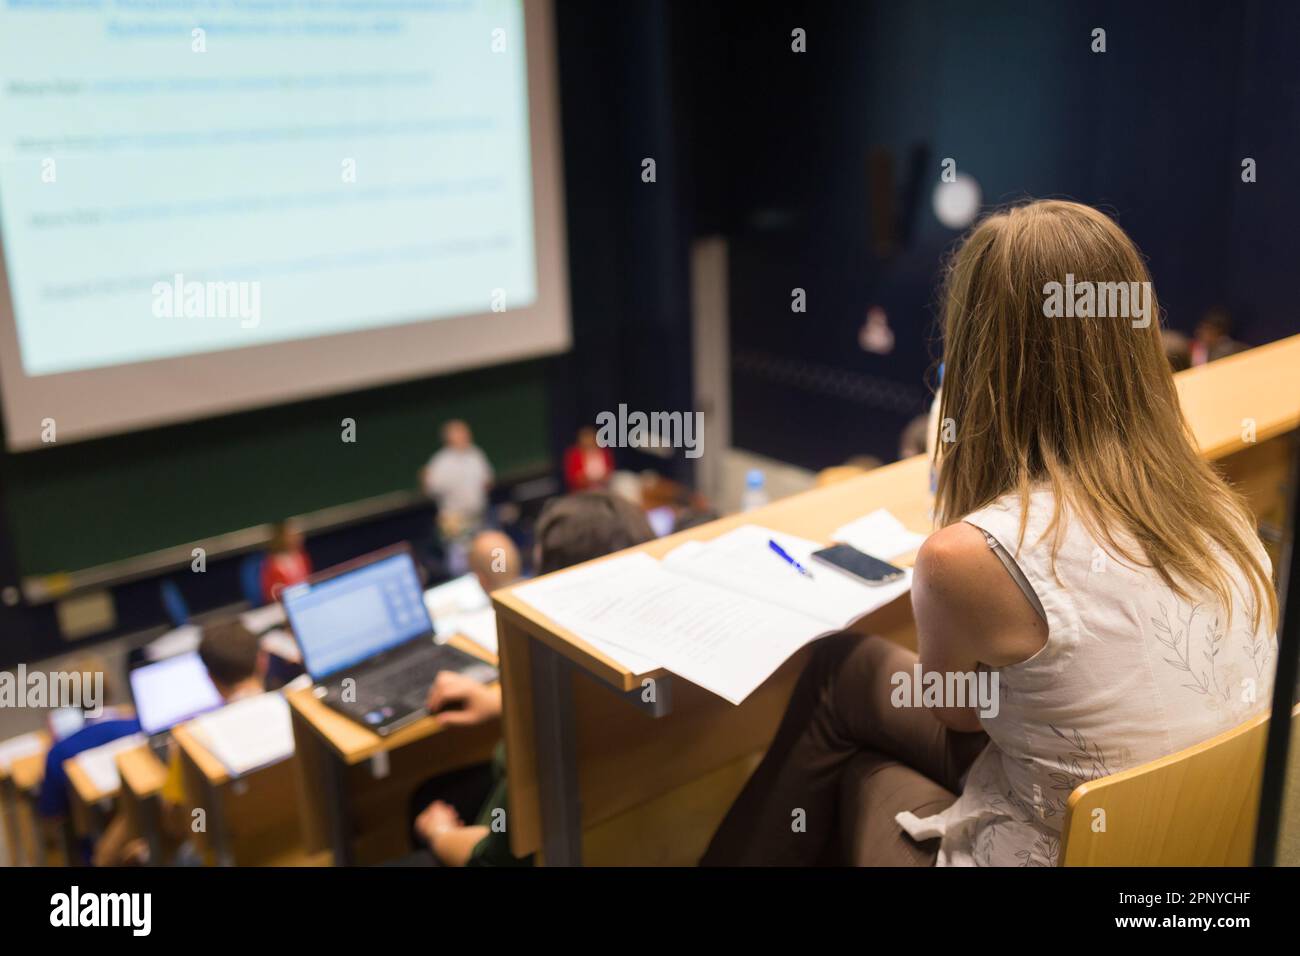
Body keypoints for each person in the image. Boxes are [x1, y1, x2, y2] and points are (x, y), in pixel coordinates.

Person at [702, 200, 1277, 867]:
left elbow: (961, 714)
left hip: (1068, 846)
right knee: (847, 673)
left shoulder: (967, 558)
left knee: (864, 772)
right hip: (1197, 856)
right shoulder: (1221, 508)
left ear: (981, 358)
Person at [411, 490, 655, 866]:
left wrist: (439, 833)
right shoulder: (643, 663)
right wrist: (499, 704)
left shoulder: (556, 709)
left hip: (519, 845)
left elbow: (489, 859)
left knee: (423, 805)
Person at [95, 619, 267, 866]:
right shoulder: (298, 712)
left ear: (209, 678)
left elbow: (176, 824)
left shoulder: (189, 745)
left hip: (234, 855)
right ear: (263, 660)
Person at [37, 657, 139, 861]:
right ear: (109, 686)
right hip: (147, 828)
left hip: (97, 852)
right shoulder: (138, 725)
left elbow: (52, 814)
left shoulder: (59, 752)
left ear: (67, 700)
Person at [421, 420, 494, 540]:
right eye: (460, 433)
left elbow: (487, 480)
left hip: (480, 517)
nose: (465, 435)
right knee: (461, 556)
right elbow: (429, 491)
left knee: (486, 553)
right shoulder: (440, 462)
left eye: (465, 432)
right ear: (448, 438)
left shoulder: (475, 454)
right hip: (456, 523)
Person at [260, 519, 312, 604]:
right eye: (291, 534)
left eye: (298, 533)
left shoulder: (301, 556)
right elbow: (273, 598)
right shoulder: (272, 565)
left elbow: (307, 583)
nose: (298, 537)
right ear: (280, 536)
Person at [563, 425, 614, 492]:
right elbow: (572, 477)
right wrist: (588, 481)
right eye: (585, 437)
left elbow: (610, 471)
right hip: (582, 491)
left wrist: (604, 479)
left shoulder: (604, 451)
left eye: (590, 437)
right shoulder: (573, 454)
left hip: (604, 489)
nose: (588, 440)